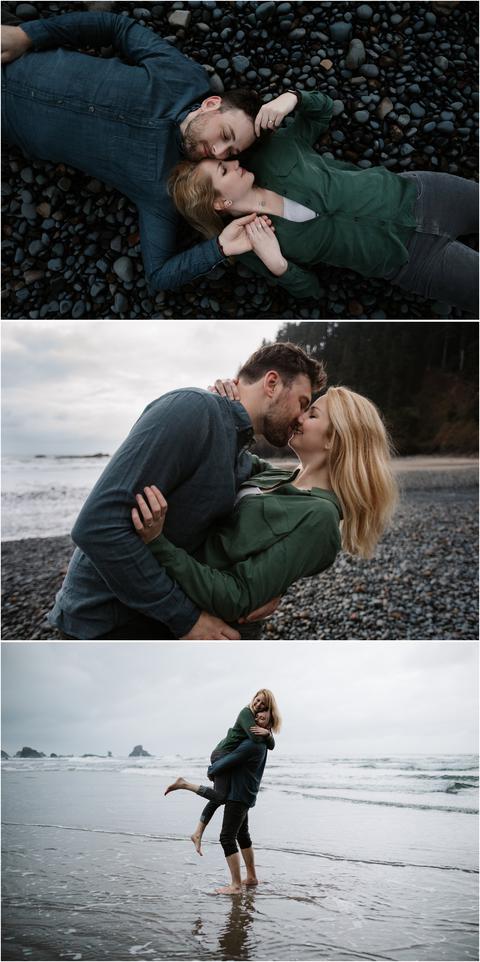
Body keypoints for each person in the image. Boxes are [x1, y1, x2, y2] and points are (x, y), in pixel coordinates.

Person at [1, 11, 300, 292]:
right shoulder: (184, 77)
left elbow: (158, 275)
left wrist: (220, 247)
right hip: (20, 51)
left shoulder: (165, 189)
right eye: (224, 134)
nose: (218, 150)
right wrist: (27, 34)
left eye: (230, 151)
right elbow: (117, 28)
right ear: (211, 104)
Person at [47, 342, 325, 640]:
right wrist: (186, 619)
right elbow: (98, 527)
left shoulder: (240, 455)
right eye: (302, 401)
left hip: (150, 619)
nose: (300, 417)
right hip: (104, 624)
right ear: (272, 383)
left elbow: (293, 495)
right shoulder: (194, 410)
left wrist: (271, 588)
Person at [169, 90, 479, 314]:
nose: (232, 159)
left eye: (228, 157)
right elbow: (311, 291)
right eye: (224, 168)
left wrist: (292, 98)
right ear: (221, 203)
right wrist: (279, 265)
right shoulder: (251, 242)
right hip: (412, 262)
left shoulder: (273, 150)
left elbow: (323, 111)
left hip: (422, 195)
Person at [131, 384, 399, 627]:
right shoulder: (275, 475)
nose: (299, 417)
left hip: (192, 621)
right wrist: (227, 402)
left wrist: (158, 544)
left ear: (334, 440)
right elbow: (226, 454)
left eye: (313, 415)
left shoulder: (320, 518)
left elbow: (236, 597)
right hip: (161, 595)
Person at [165, 689, 281, 894]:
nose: (259, 717)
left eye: (264, 716)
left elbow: (230, 760)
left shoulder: (252, 744)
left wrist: (212, 770)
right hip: (248, 793)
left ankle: (236, 885)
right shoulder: (261, 742)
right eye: (257, 716)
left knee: (227, 837)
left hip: (238, 795)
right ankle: (251, 877)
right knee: (242, 834)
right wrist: (268, 736)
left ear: (270, 722)